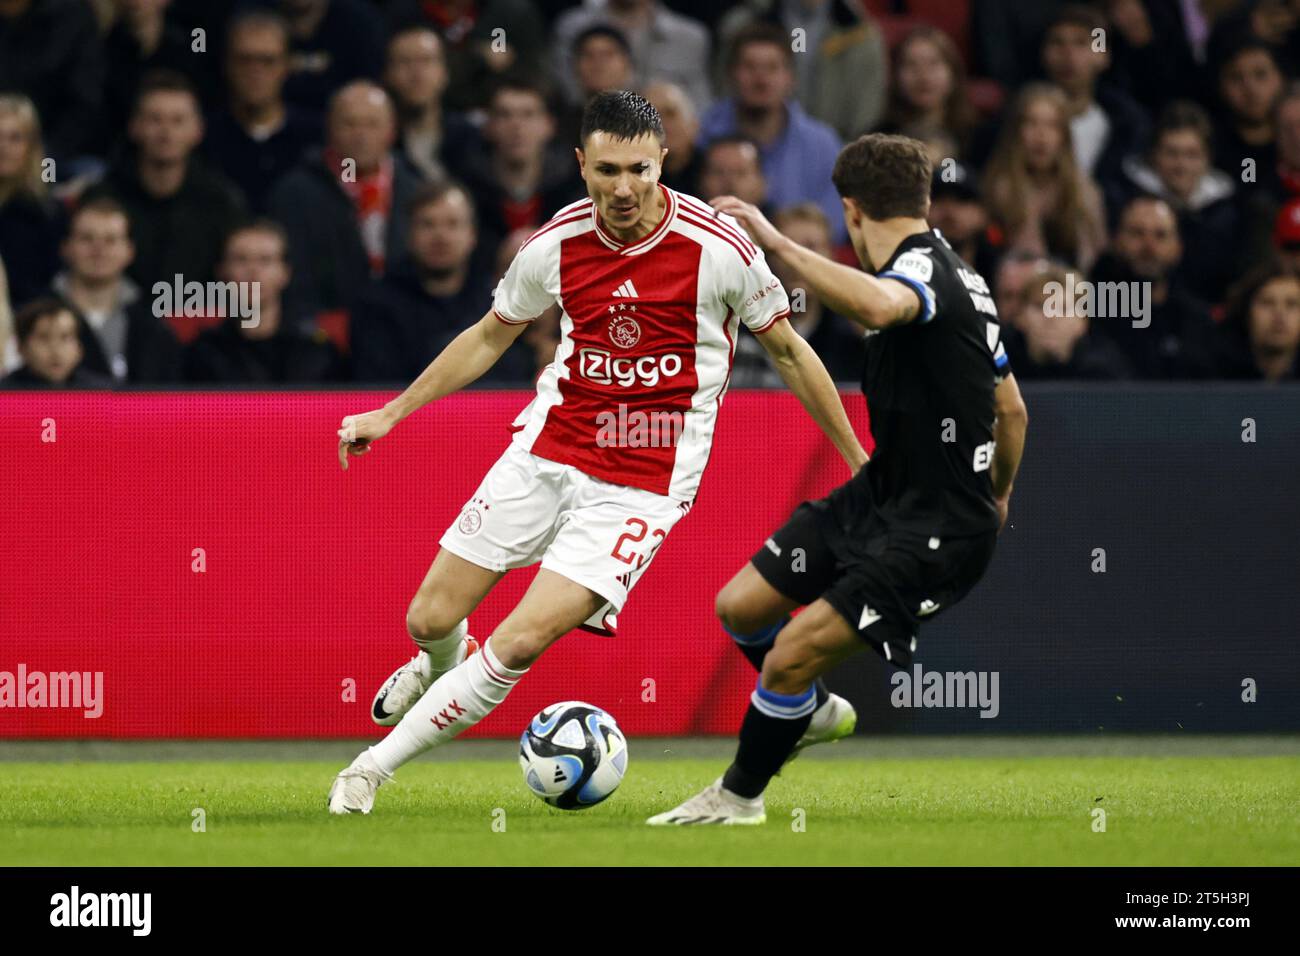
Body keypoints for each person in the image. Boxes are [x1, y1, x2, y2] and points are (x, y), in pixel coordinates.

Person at [326, 90, 868, 814]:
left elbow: (794, 356)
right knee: (428, 619)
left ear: (663, 161)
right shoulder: (553, 243)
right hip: (548, 451)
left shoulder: (719, 250)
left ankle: (368, 771)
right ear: (580, 164)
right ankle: (435, 665)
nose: (622, 188)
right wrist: (393, 414)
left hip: (643, 483)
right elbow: (493, 334)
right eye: (606, 169)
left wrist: (859, 461)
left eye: (639, 170)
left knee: (518, 643)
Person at [647, 134, 1028, 825]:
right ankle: (811, 711)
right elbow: (1013, 409)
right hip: (885, 494)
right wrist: (1000, 492)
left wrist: (778, 244)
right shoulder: (957, 272)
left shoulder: (924, 274)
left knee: (787, 656)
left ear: (850, 211)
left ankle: (739, 798)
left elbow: (882, 307)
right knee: (741, 608)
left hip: (936, 529)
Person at [351, 181, 534, 383]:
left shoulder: (497, 303)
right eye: (428, 224)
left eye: (452, 224)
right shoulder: (377, 306)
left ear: (472, 235)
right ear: (409, 235)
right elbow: (376, 387)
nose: (441, 236)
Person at [266, 80, 424, 314]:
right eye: (349, 124)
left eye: (372, 124)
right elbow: (295, 277)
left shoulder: (416, 191)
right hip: (324, 328)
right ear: (330, 129)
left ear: (391, 131)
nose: (361, 135)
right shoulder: (294, 193)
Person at [88, 70, 247, 297]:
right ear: (134, 127)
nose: (166, 132)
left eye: (178, 121)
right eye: (155, 120)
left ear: (198, 130)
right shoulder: (103, 197)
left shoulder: (223, 201)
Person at [699, 22, 846, 241]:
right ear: (731, 74)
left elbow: (835, 227)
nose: (761, 79)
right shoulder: (702, 134)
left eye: (772, 68)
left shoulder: (823, 145)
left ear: (790, 78)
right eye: (750, 67)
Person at [185, 219, 343, 383]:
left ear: (285, 273)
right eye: (241, 259)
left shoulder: (315, 351)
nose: (253, 271)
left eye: (265, 260)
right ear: (222, 271)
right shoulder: (205, 352)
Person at [50, 196, 180, 384]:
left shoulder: (154, 329)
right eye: (87, 238)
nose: (98, 249)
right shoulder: (34, 317)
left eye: (110, 240)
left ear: (129, 251)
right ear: (66, 248)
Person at [204, 9, 322, 213]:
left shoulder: (317, 139)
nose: (255, 72)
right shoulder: (203, 138)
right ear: (227, 65)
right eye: (244, 60)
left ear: (287, 66)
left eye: (267, 61)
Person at [982, 83, 1107, 271]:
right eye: (1031, 124)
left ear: (1064, 136)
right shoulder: (997, 189)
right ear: (1016, 133)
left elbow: (1098, 259)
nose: (1041, 136)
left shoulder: (1084, 191)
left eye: (1052, 126)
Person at [1214, 258, 1300, 381]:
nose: (1279, 315)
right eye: (1267, 303)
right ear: (1247, 312)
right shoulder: (1214, 374)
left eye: (1291, 304)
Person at [0, 297, 113, 389]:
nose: (56, 351)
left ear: (79, 347)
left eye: (65, 338)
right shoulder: (5, 394)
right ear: (21, 347)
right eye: (43, 338)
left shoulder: (103, 395)